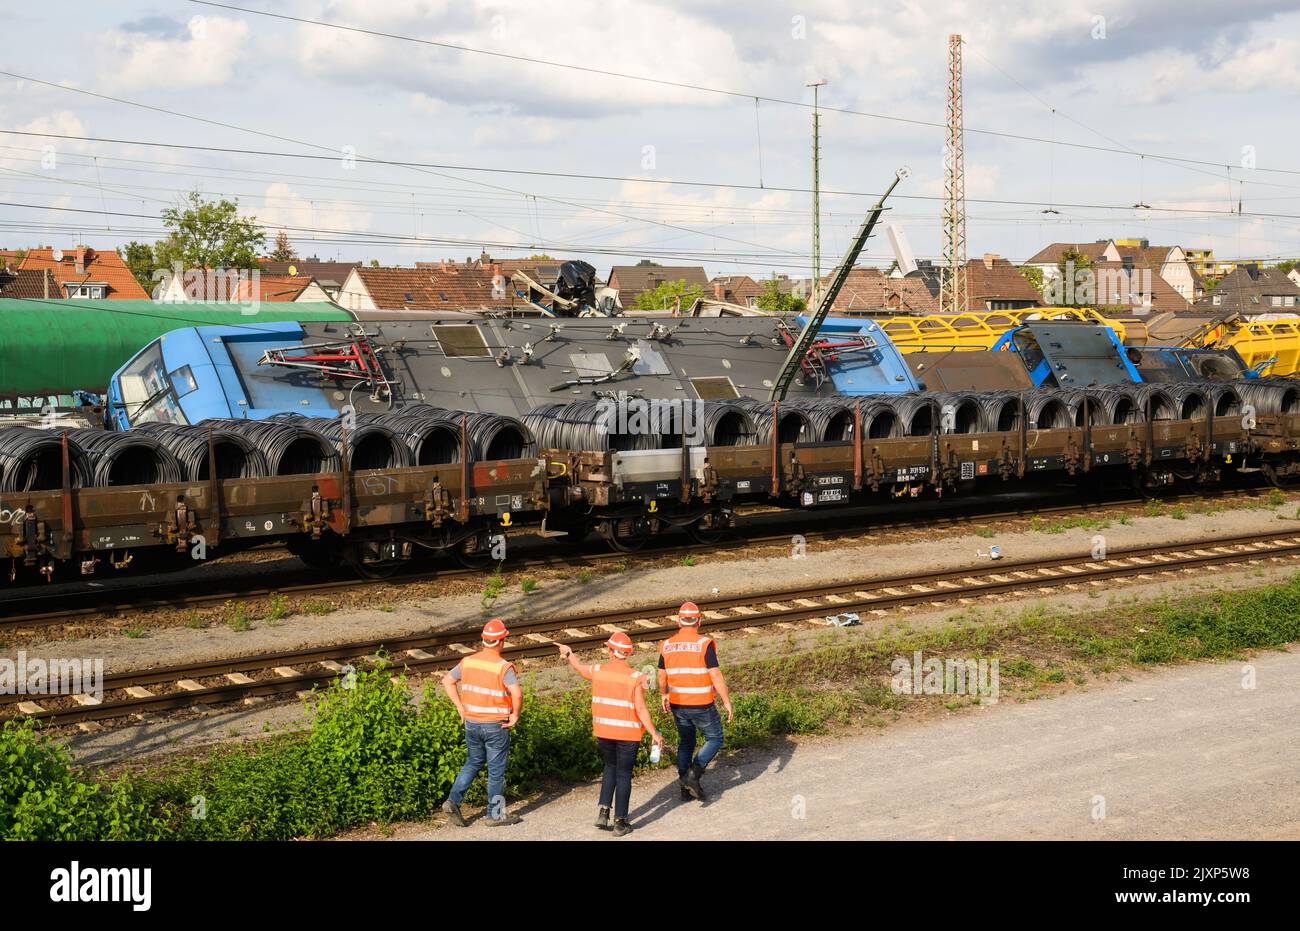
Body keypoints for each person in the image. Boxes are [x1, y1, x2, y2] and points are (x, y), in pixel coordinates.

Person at [558, 631, 663, 837]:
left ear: (611, 651)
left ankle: (604, 812)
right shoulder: (636, 677)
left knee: (610, 767)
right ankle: (620, 822)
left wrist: (569, 653)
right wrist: (654, 734)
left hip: (604, 732)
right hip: (628, 735)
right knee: (624, 775)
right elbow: (641, 710)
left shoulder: (598, 670)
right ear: (627, 653)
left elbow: (580, 668)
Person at [440, 618, 523, 827]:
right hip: (495, 726)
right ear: (502, 641)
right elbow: (517, 693)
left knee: (473, 761)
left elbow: (447, 681)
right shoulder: (503, 667)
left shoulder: (468, 662)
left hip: (472, 723)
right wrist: (515, 715)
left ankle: (453, 801)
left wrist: (460, 706)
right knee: (496, 770)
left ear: (484, 641)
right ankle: (494, 815)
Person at [658, 601, 733, 801]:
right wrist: (726, 700)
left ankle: (685, 788)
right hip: (701, 704)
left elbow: (662, 676)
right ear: (698, 621)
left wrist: (664, 694)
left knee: (686, 742)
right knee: (715, 738)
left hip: (678, 704)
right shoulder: (704, 644)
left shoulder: (666, 644)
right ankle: (693, 775)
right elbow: (715, 675)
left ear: (678, 621)